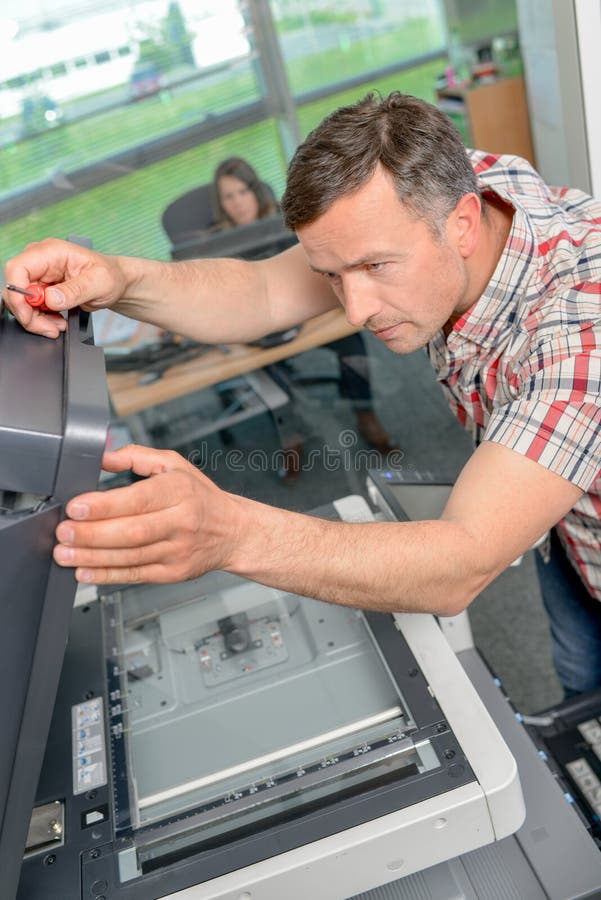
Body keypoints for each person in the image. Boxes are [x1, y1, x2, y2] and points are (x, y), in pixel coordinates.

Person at [5, 92, 601, 699]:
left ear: (464, 225)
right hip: (565, 531)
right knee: (581, 677)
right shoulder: (441, 184)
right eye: (333, 276)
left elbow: (459, 561)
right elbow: (264, 291)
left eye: (375, 267)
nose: (355, 310)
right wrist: (120, 278)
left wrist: (230, 533)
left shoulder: (582, 334)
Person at [211, 156, 398, 465]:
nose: (237, 203)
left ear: (256, 191)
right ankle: (290, 434)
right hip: (263, 328)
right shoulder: (217, 243)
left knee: (352, 345)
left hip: (308, 316)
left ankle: (365, 414)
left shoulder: (287, 222)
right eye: (228, 197)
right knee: (265, 368)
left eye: (243, 192)